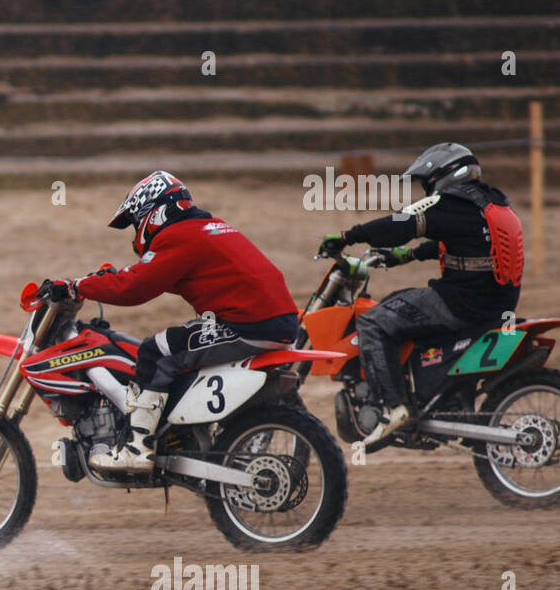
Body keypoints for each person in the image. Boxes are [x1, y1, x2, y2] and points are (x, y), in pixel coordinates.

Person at [44, 171, 299, 473]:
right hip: (276, 321)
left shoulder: (179, 236)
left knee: (155, 351)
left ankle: (137, 449)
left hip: (248, 324)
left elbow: (134, 290)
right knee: (179, 350)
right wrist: (112, 277)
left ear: (152, 211)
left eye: (136, 222)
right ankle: (182, 432)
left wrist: (76, 286)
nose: (137, 231)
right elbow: (162, 276)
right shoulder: (207, 227)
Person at [319, 142, 524, 445]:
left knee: (373, 322)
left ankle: (392, 408)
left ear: (445, 175)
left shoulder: (449, 203)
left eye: (427, 182)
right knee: (396, 302)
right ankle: (439, 399)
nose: (427, 189)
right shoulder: (491, 202)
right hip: (495, 303)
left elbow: (401, 222)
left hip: (464, 302)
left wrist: (351, 235)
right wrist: (408, 256)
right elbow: (463, 242)